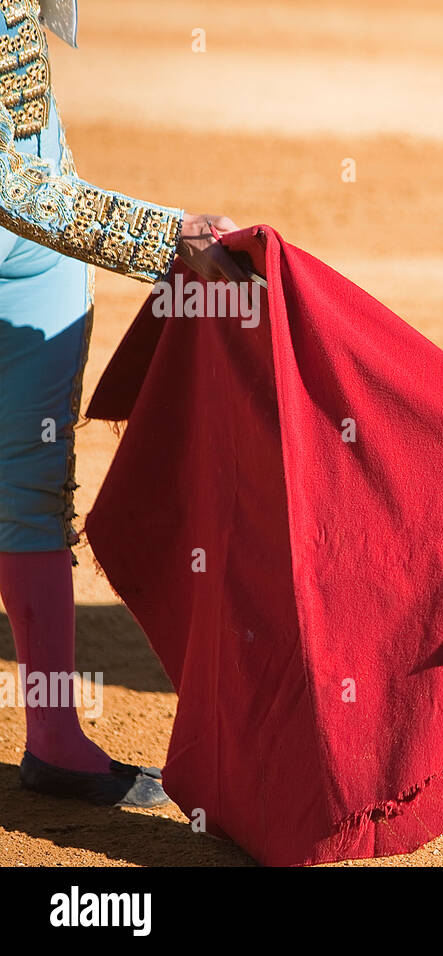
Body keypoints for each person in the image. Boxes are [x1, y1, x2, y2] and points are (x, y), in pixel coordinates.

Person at [1, 0, 247, 807]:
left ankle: (55, 739)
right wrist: (158, 234)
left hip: (35, 171)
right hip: (26, 193)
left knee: (30, 478)